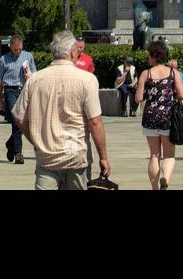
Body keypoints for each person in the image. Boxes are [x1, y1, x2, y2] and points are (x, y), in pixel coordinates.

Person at [13, 30, 110, 190]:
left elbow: (19, 117)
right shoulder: (87, 80)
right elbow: (95, 121)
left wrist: (37, 140)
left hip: (46, 159)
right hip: (76, 157)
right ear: (72, 52)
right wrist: (103, 157)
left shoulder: (35, 80)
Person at [135, 39, 183, 190]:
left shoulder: (146, 74)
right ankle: (165, 178)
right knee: (169, 155)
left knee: (154, 155)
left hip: (150, 116)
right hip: (167, 117)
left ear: (152, 56)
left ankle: (154, 188)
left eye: (148, 55)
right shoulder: (173, 73)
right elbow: (182, 95)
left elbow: (139, 98)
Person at [0, 34, 36, 164]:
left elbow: (34, 74)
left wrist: (30, 77)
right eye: (15, 49)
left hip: (24, 89)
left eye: (19, 49)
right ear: (10, 47)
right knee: (17, 120)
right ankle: (18, 153)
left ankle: (11, 145)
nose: (17, 52)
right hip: (10, 90)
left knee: (22, 121)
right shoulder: (4, 59)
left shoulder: (28, 57)